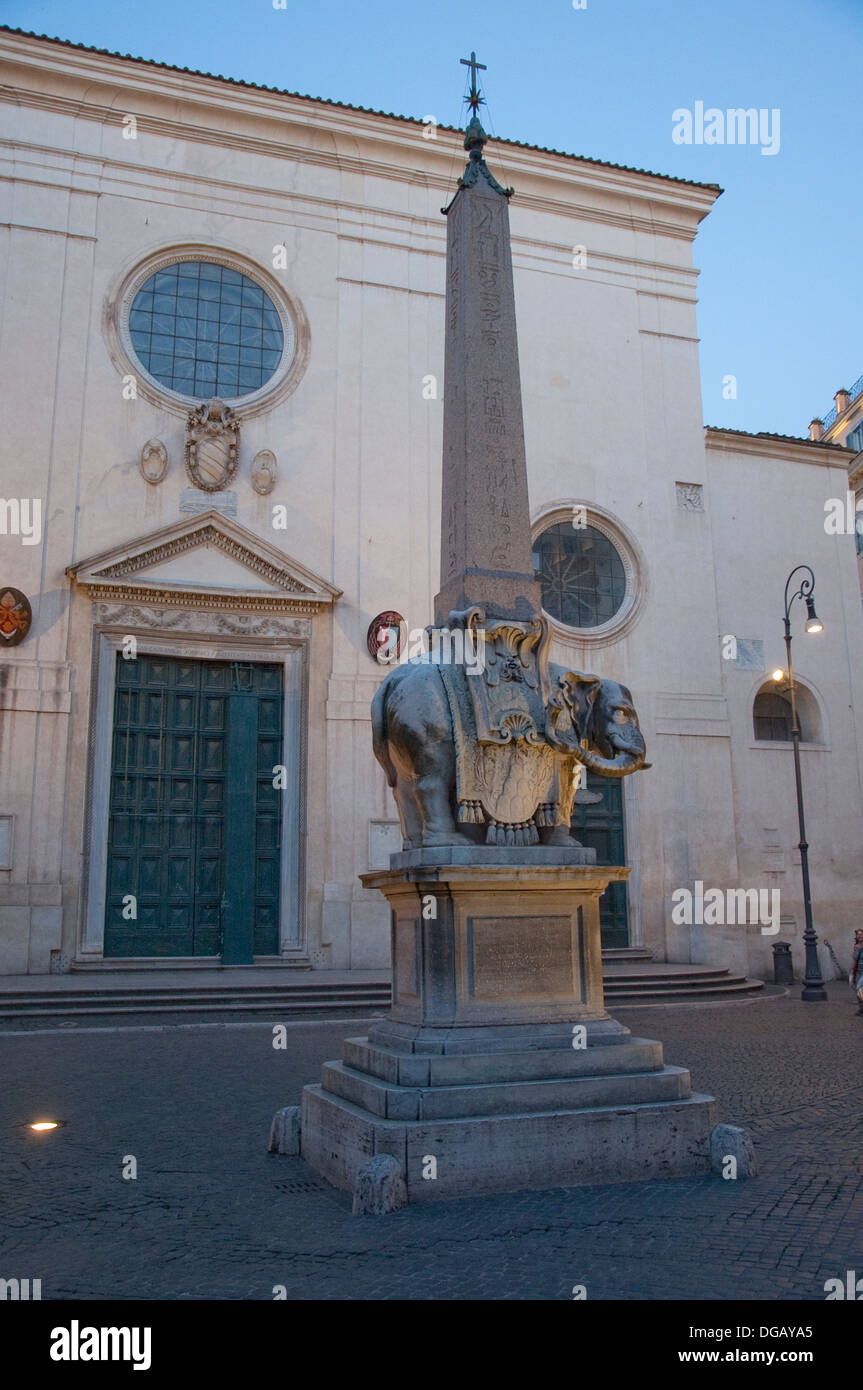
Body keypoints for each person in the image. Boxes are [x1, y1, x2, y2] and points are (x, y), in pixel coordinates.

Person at [851, 929, 863, 1015]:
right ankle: (861, 1008)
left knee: (859, 987)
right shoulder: (856, 946)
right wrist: (852, 971)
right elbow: (855, 960)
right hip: (860, 971)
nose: (859, 936)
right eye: (858, 935)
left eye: (861, 935)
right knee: (858, 990)